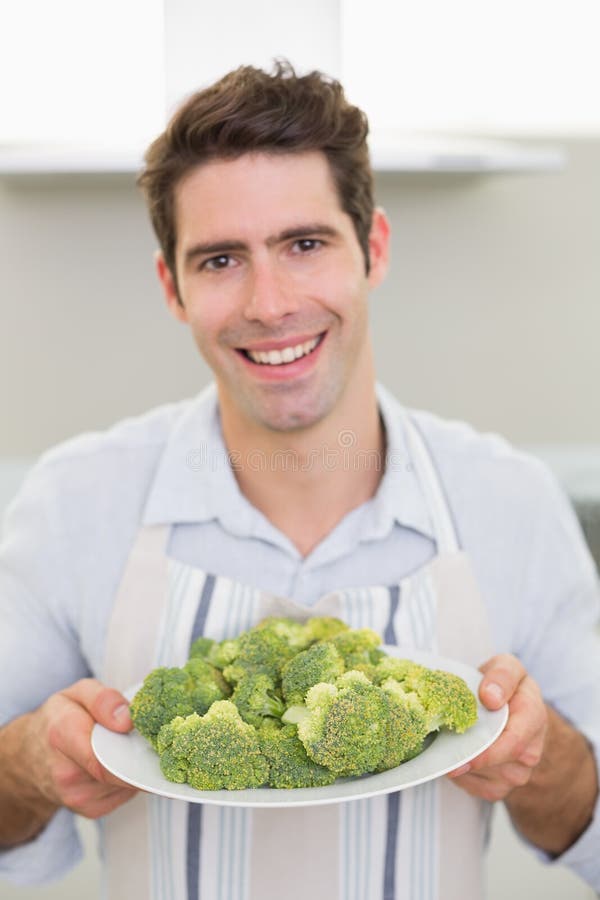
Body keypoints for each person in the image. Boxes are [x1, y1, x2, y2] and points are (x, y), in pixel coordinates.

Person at [0, 61, 598, 899]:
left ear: (373, 250)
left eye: (305, 244)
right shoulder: (74, 504)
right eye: (220, 260)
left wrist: (544, 757)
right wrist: (29, 765)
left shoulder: (511, 503)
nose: (271, 302)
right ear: (172, 286)